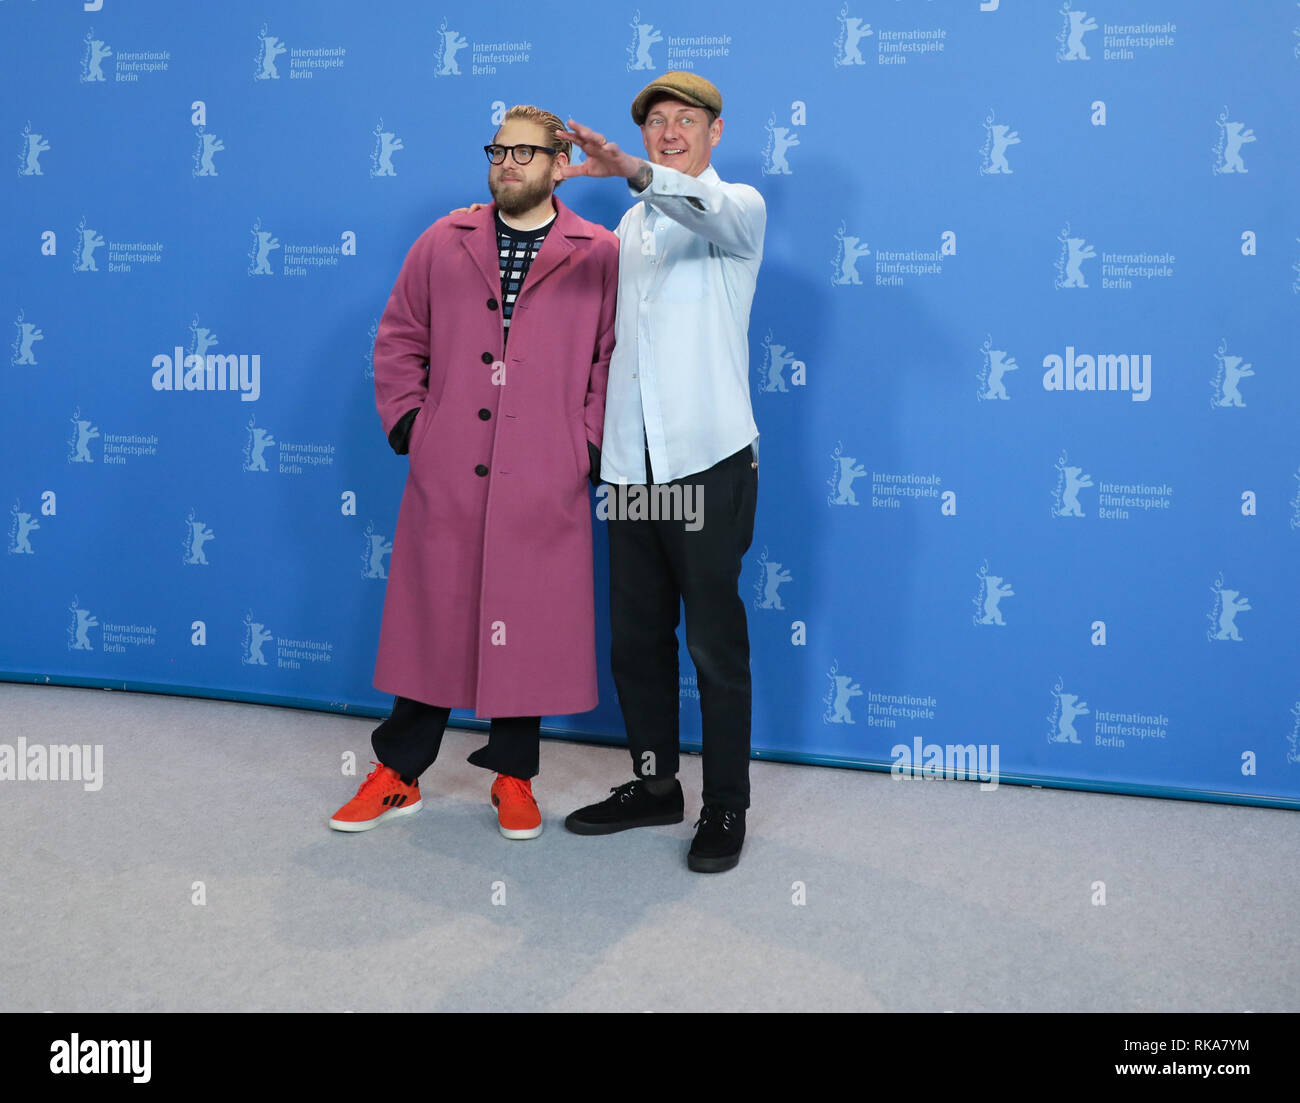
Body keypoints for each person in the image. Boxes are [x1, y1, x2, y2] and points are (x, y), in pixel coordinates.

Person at [329, 105, 618, 840]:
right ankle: (399, 773)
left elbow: (612, 363)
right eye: (500, 149)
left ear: (561, 163)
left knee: (527, 622)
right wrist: (410, 426)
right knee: (434, 619)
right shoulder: (443, 239)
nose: (510, 162)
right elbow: (399, 336)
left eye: (528, 151)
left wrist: (582, 447)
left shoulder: (600, 252)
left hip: (544, 472)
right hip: (450, 465)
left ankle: (514, 776)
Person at [558, 74, 765, 873]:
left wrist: (638, 173)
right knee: (637, 641)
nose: (669, 130)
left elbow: (693, 205)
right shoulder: (628, 224)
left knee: (714, 646)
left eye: (686, 120)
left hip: (708, 460)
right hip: (633, 465)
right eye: (655, 122)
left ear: (716, 131)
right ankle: (654, 786)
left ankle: (725, 806)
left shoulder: (736, 208)